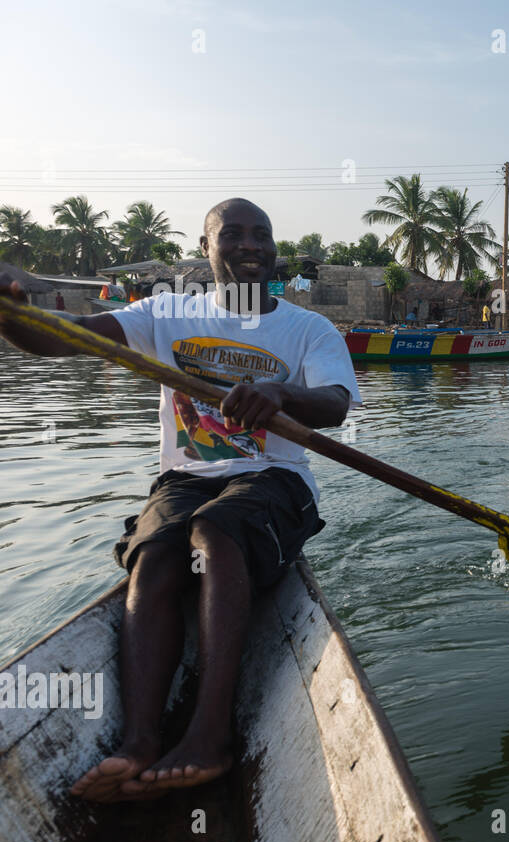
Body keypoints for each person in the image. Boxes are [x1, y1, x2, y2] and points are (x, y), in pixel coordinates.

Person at [0, 198, 361, 801]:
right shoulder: (166, 312)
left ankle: (209, 737)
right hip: (184, 480)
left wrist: (281, 395)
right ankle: (140, 740)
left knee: (216, 532)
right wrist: (10, 318)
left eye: (262, 235)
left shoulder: (307, 329)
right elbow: (64, 341)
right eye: (234, 235)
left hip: (273, 476)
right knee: (155, 555)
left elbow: (335, 404)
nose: (251, 245)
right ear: (206, 248)